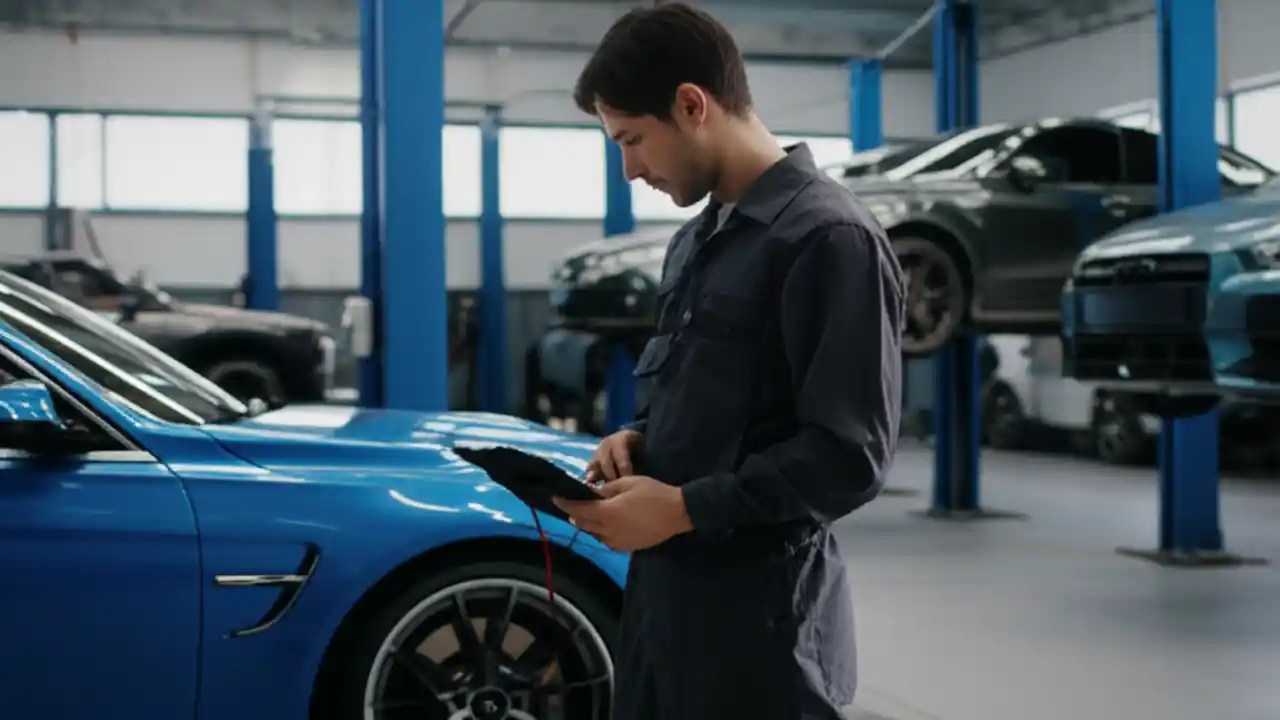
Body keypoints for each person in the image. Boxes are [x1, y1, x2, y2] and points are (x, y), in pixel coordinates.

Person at [552, 4, 905, 718]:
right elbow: (711, 407)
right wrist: (638, 442)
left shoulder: (829, 241)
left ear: (692, 105)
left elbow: (848, 456)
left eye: (633, 141)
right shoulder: (694, 245)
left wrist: (681, 508)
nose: (628, 170)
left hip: (763, 640)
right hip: (663, 618)